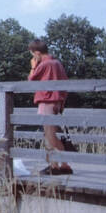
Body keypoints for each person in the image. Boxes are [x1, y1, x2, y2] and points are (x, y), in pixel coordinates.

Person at [28, 39, 72, 174]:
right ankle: (63, 164)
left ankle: (54, 165)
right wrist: (62, 102)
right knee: (52, 134)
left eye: (32, 55)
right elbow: (65, 83)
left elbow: (31, 80)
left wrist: (33, 66)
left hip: (46, 100)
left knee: (49, 135)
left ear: (36, 53)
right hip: (56, 101)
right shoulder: (57, 63)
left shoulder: (44, 64)